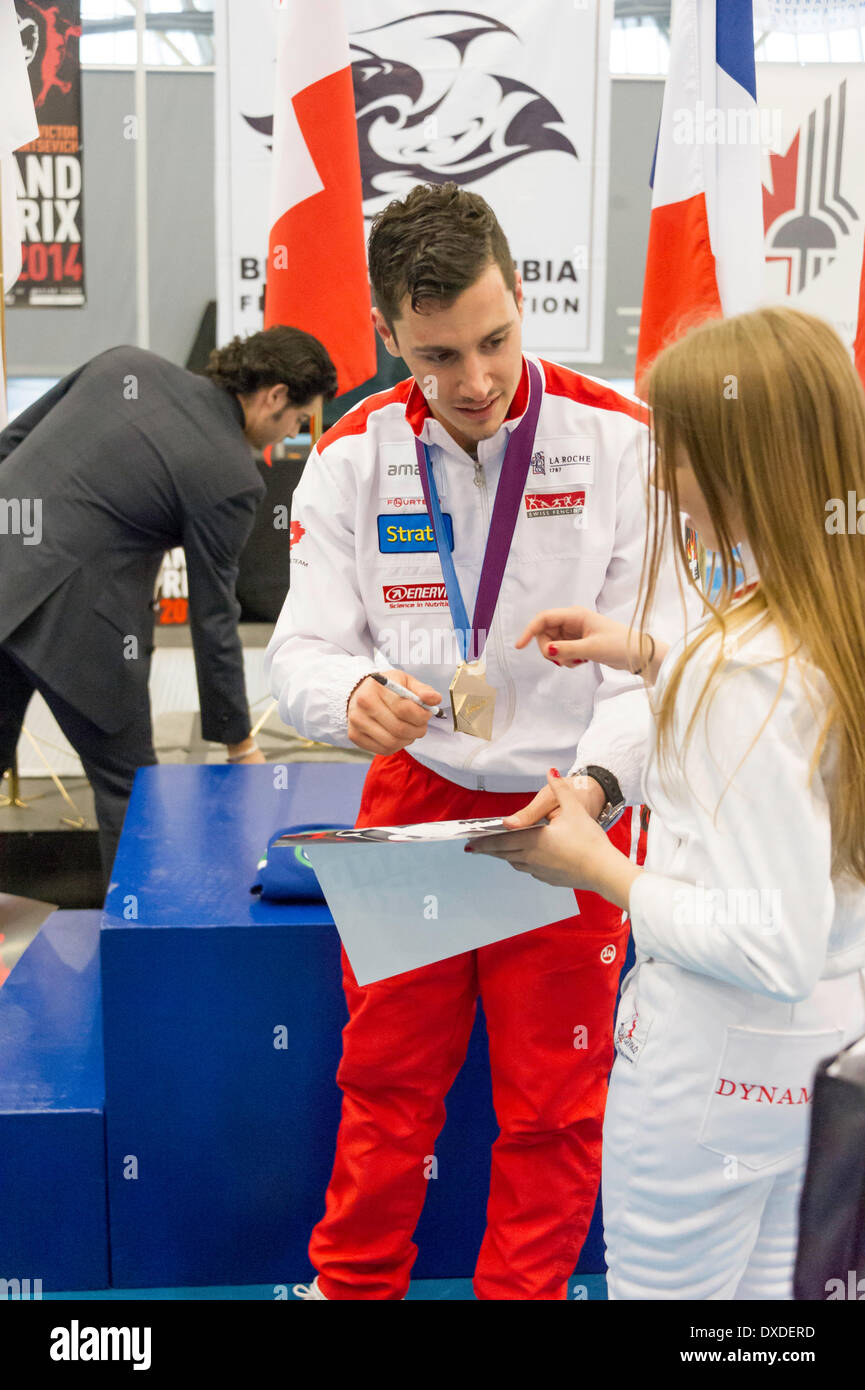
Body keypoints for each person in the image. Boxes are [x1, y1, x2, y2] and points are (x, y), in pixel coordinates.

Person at [265, 181, 696, 1300]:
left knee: (555, 1103)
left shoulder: (621, 445)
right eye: (436, 356)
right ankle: (354, 1289)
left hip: (571, 806)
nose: (474, 381)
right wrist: (348, 690)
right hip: (416, 794)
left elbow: (654, 657)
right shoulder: (352, 454)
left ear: (520, 295)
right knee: (386, 1082)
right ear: (386, 335)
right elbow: (300, 650)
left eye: (494, 341)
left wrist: (599, 786)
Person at [471, 305, 865, 1299]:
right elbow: (787, 694)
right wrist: (648, 650)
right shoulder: (828, 616)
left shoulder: (744, 669)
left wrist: (593, 866)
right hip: (819, 1064)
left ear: (739, 465)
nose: (660, 472)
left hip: (712, 1076)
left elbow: (770, 940)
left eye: (677, 446)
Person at [0, 326, 336, 879]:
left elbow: (13, 442)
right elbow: (213, 618)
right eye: (298, 421)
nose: (288, 436)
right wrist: (239, 743)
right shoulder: (230, 474)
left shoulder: (123, 362)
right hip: (79, 618)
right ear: (274, 395)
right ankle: (133, 940)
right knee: (130, 792)